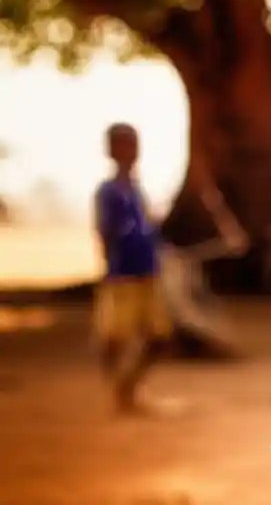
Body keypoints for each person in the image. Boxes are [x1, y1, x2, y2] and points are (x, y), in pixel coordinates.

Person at [93, 123, 171, 414]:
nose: (130, 151)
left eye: (133, 144)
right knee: (114, 337)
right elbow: (105, 231)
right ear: (111, 150)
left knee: (159, 338)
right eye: (124, 144)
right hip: (123, 274)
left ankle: (129, 388)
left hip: (147, 271)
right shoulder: (109, 191)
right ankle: (119, 393)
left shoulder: (136, 189)